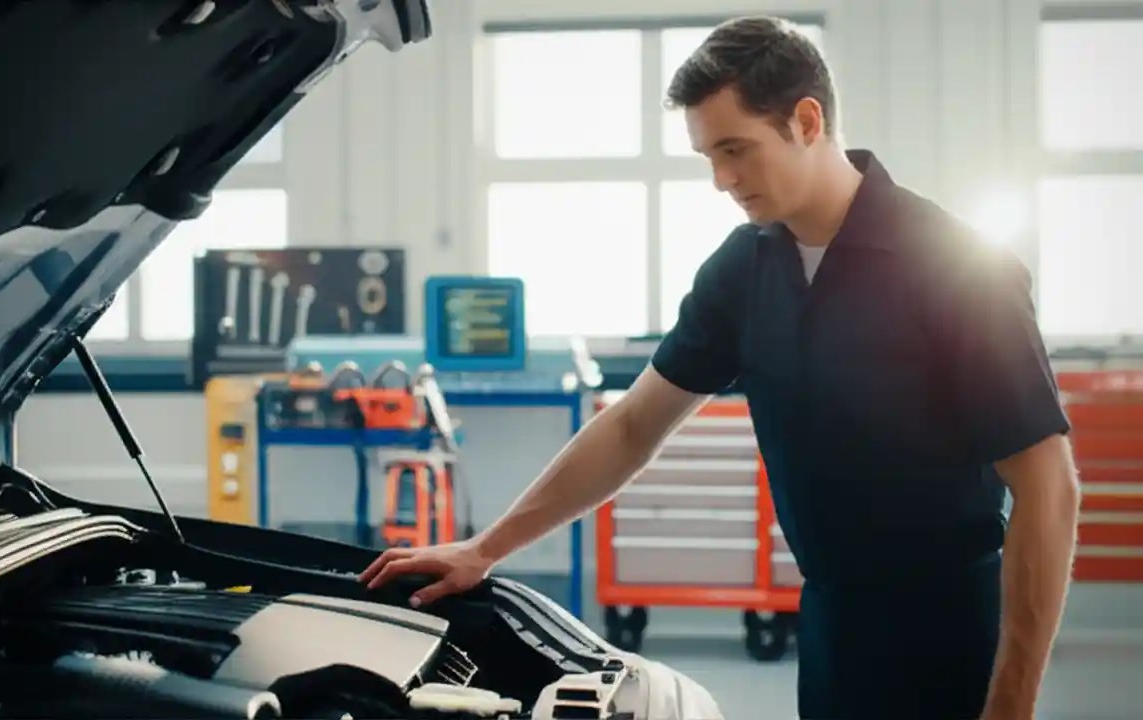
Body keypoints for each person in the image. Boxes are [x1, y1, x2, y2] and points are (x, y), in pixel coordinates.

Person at [359, 15, 1081, 720]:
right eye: (708, 157)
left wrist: (1012, 699)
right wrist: (487, 549)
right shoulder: (743, 270)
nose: (721, 180)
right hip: (829, 620)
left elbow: (1048, 488)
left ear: (806, 120)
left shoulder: (958, 265)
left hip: (952, 630)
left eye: (736, 150)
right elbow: (634, 426)